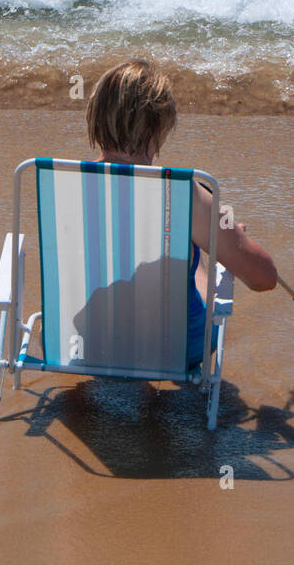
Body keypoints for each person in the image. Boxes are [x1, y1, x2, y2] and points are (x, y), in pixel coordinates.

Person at [85, 59, 277, 366]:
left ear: (94, 114)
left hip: (91, 342)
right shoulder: (181, 192)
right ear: (160, 125)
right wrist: (227, 240)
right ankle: (211, 243)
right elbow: (264, 278)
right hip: (176, 349)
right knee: (199, 250)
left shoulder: (67, 183)